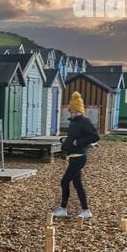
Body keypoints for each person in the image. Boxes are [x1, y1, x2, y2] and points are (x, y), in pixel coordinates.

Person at [54, 91, 99, 219]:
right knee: (77, 184)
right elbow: (73, 137)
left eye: (76, 112)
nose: (73, 114)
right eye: (71, 111)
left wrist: (78, 142)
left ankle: (63, 209)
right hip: (73, 157)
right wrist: (65, 140)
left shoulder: (84, 121)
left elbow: (95, 136)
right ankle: (85, 210)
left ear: (81, 111)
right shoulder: (73, 122)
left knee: (64, 181)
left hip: (80, 157)